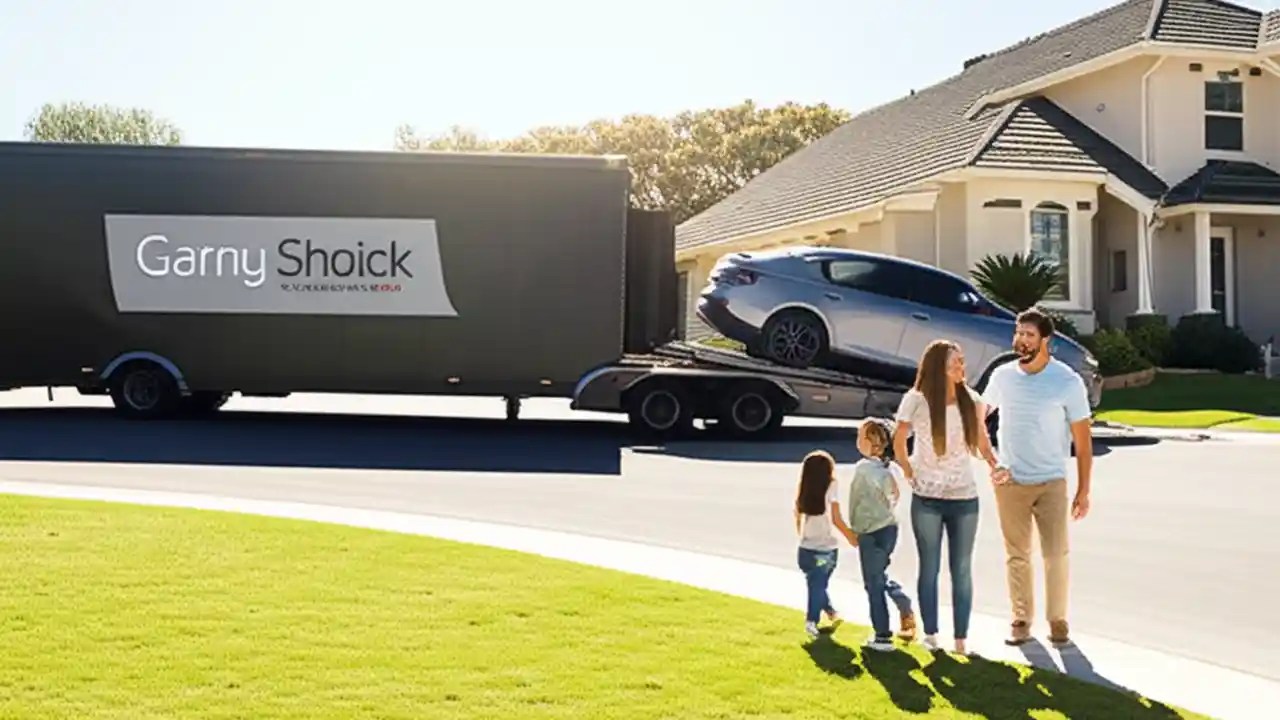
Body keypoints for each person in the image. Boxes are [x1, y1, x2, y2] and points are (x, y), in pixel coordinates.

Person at [982, 307, 1093, 647]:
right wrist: (991, 461)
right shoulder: (1002, 376)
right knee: (1017, 554)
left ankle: (1057, 620)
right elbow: (978, 419)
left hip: (1051, 480)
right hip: (1010, 481)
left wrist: (1083, 490)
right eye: (1019, 334)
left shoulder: (1067, 381)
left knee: (1055, 553)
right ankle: (1020, 620)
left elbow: (1083, 440)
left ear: (1046, 340)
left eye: (1029, 335)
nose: (1021, 341)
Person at [892, 339, 999, 655]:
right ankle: (932, 634)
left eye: (962, 362)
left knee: (962, 568)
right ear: (938, 366)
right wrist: (909, 471)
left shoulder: (972, 399)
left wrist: (995, 464)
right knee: (930, 567)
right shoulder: (916, 400)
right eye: (954, 363)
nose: (960, 368)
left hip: (965, 498)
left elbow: (981, 439)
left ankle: (961, 640)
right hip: (927, 499)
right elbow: (899, 439)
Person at [847, 418, 919, 651]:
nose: (858, 442)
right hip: (889, 529)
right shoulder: (891, 470)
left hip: (870, 531)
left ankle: (882, 636)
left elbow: (858, 503)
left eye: (861, 437)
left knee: (873, 585)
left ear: (874, 443)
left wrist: (855, 529)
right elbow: (893, 496)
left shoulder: (864, 469)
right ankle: (902, 601)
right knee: (879, 576)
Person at [793, 449, 858, 639]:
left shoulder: (803, 490)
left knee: (816, 583)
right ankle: (811, 621)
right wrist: (851, 537)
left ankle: (830, 612)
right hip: (825, 550)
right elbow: (836, 518)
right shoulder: (832, 485)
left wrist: (802, 536)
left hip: (805, 550)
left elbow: (797, 516)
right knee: (818, 584)